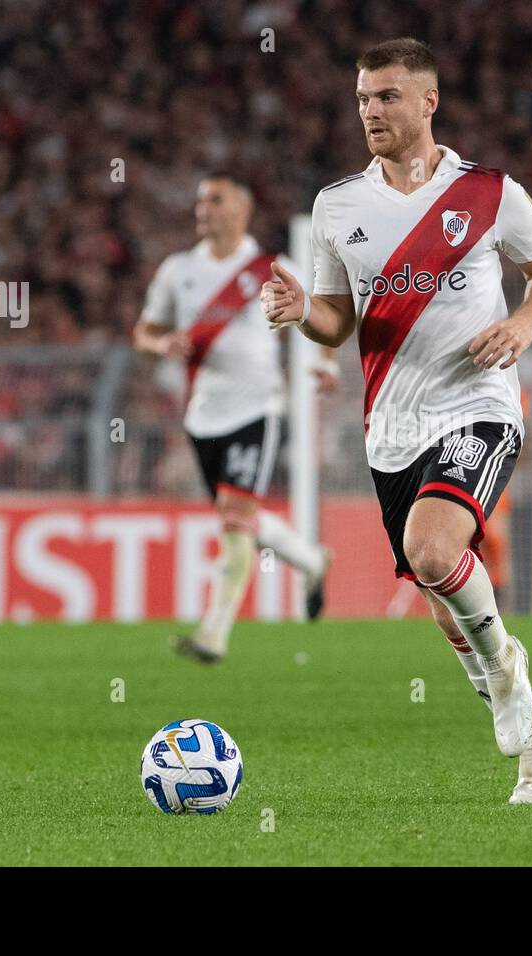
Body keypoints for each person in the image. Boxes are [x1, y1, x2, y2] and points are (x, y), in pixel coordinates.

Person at [262, 38, 532, 803]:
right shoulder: (337, 205)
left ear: (428, 102)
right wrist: (306, 312)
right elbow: (336, 322)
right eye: (364, 97)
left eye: (387, 96)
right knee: (443, 603)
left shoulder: (491, 192)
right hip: (391, 426)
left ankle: (508, 688)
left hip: (479, 403)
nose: (371, 110)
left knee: (433, 552)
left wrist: (526, 327)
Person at [134, 173, 335, 664]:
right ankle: (311, 560)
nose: (203, 208)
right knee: (238, 519)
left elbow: (319, 317)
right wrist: (162, 344)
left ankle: (214, 633)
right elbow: (144, 330)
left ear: (242, 210)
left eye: (215, 200)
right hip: (202, 414)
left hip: (257, 409)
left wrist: (326, 367)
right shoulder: (177, 270)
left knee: (234, 518)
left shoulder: (271, 269)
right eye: (201, 199)